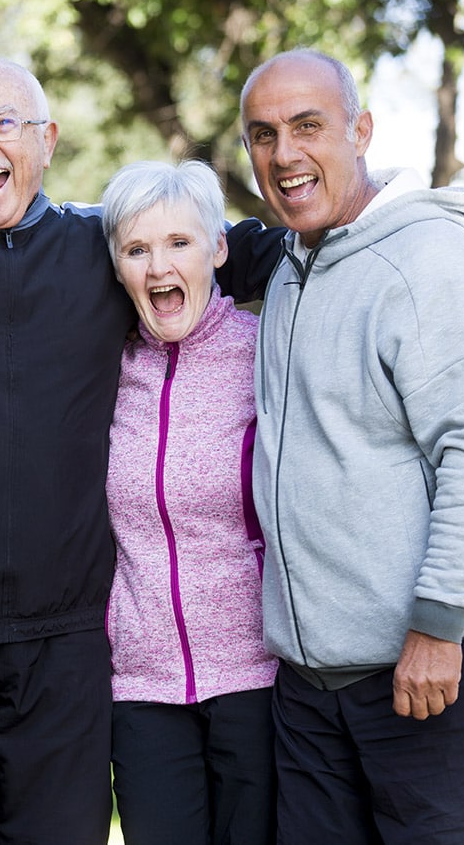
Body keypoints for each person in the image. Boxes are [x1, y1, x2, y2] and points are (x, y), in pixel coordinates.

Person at [0, 57, 283, 845]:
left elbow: (234, 250)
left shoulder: (102, 250)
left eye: (4, 123)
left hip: (70, 651)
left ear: (46, 141)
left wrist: (369, 219)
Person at [241, 48, 464, 844]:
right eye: (263, 135)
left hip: (434, 673)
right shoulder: (294, 267)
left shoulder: (429, 263)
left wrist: (437, 626)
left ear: (360, 130)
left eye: (307, 126)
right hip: (313, 693)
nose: (284, 154)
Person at [99, 159, 278, 844]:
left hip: (257, 681)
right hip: (142, 691)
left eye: (179, 243)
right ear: (118, 268)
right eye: (137, 249)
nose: (158, 266)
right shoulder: (108, 370)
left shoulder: (265, 355)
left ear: (218, 250)